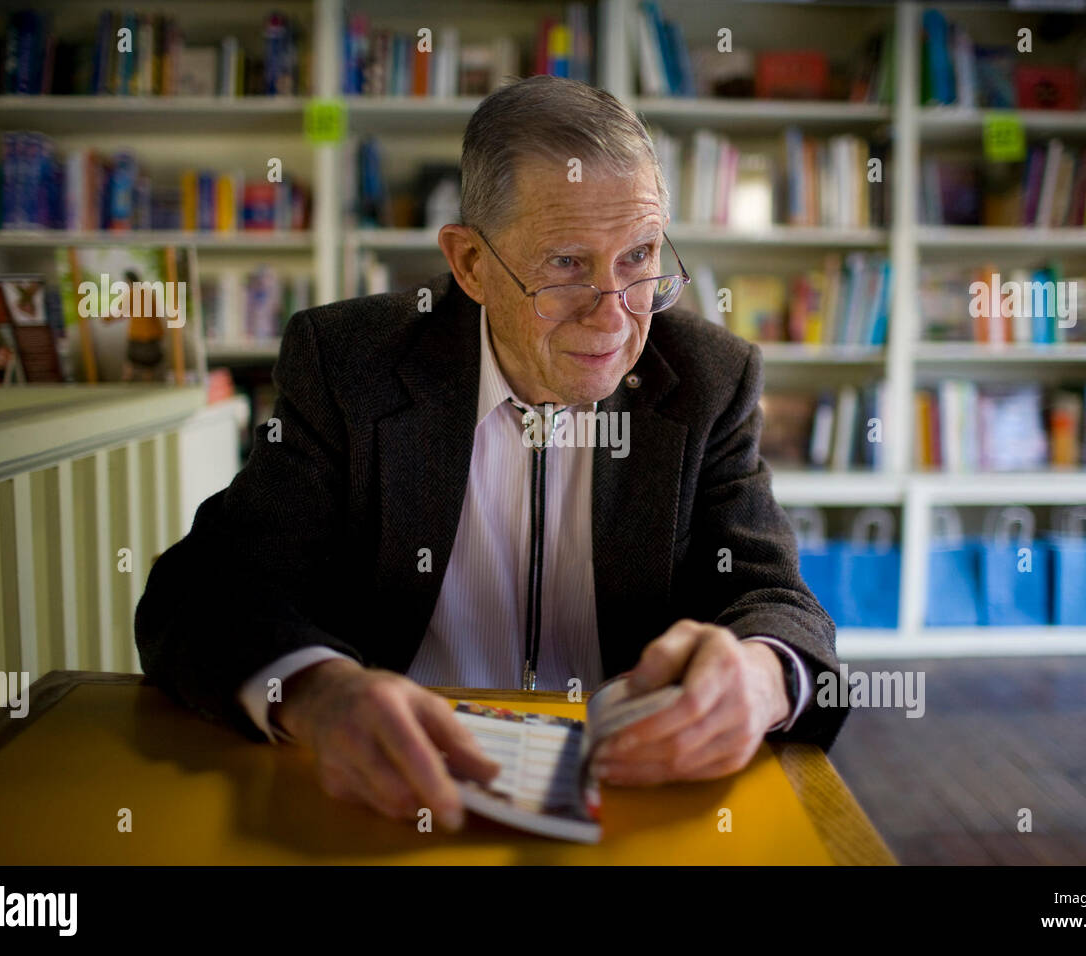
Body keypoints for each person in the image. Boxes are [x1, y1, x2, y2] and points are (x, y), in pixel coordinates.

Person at [136, 75, 844, 832]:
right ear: (470, 263)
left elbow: (779, 603)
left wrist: (761, 677)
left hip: (630, 800)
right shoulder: (349, 364)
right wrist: (317, 692)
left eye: (638, 256)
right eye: (567, 264)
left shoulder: (706, 378)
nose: (614, 314)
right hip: (393, 792)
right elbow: (203, 595)